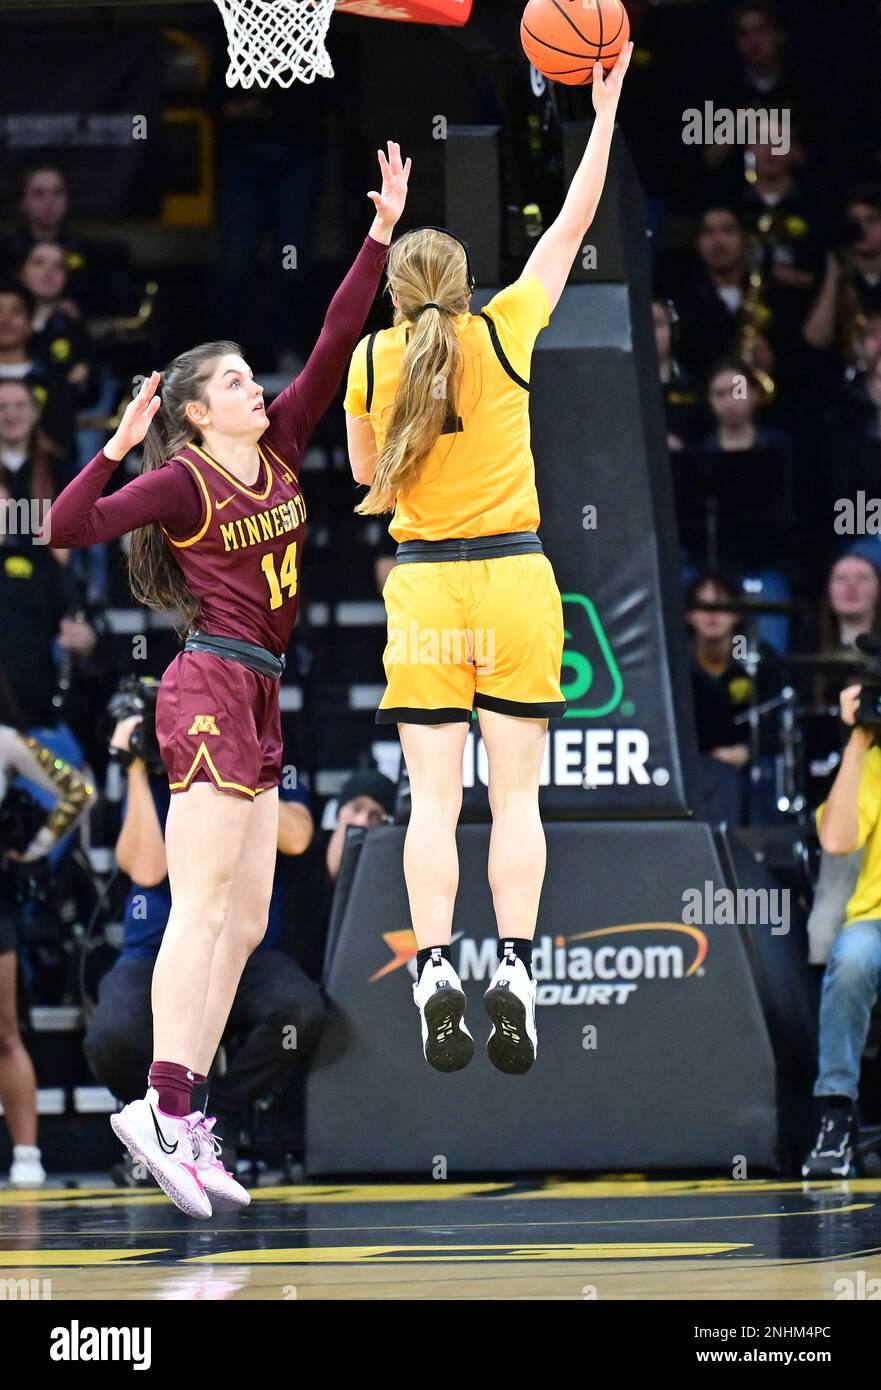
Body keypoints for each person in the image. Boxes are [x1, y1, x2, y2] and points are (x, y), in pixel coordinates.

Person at [39, 142, 410, 1219]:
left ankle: (184, 1112)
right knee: (197, 906)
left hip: (261, 689)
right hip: (205, 685)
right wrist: (117, 443)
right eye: (237, 380)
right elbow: (65, 526)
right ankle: (160, 1108)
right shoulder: (180, 479)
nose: (259, 386)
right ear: (199, 411)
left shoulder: (284, 441)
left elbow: (337, 335)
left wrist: (379, 234)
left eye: (254, 376)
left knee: (245, 922)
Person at [344, 50, 632, 1076]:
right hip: (513, 578)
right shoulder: (505, 328)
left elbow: (366, 478)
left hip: (425, 584)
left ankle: (434, 972)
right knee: (516, 801)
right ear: (468, 288)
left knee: (431, 801)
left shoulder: (371, 358)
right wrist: (600, 116)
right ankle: (513, 968)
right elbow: (572, 224)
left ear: (393, 297)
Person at [84, 714, 324, 1185]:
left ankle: (215, 1111)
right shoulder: (158, 765)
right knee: (112, 1037)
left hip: (245, 948)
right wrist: (137, 767)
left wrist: (238, 766)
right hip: (157, 948)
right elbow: (147, 868)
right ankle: (159, 1119)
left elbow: (297, 837)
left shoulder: (260, 746)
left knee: (300, 1011)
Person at [0, 672, 94, 1186]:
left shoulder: (7, 742)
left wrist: (31, 851)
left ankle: (27, 1154)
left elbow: (77, 791)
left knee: (5, 1032)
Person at [803, 682, 881, 1177]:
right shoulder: (873, 766)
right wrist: (859, 738)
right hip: (875, 920)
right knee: (853, 957)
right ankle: (836, 1115)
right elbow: (835, 839)